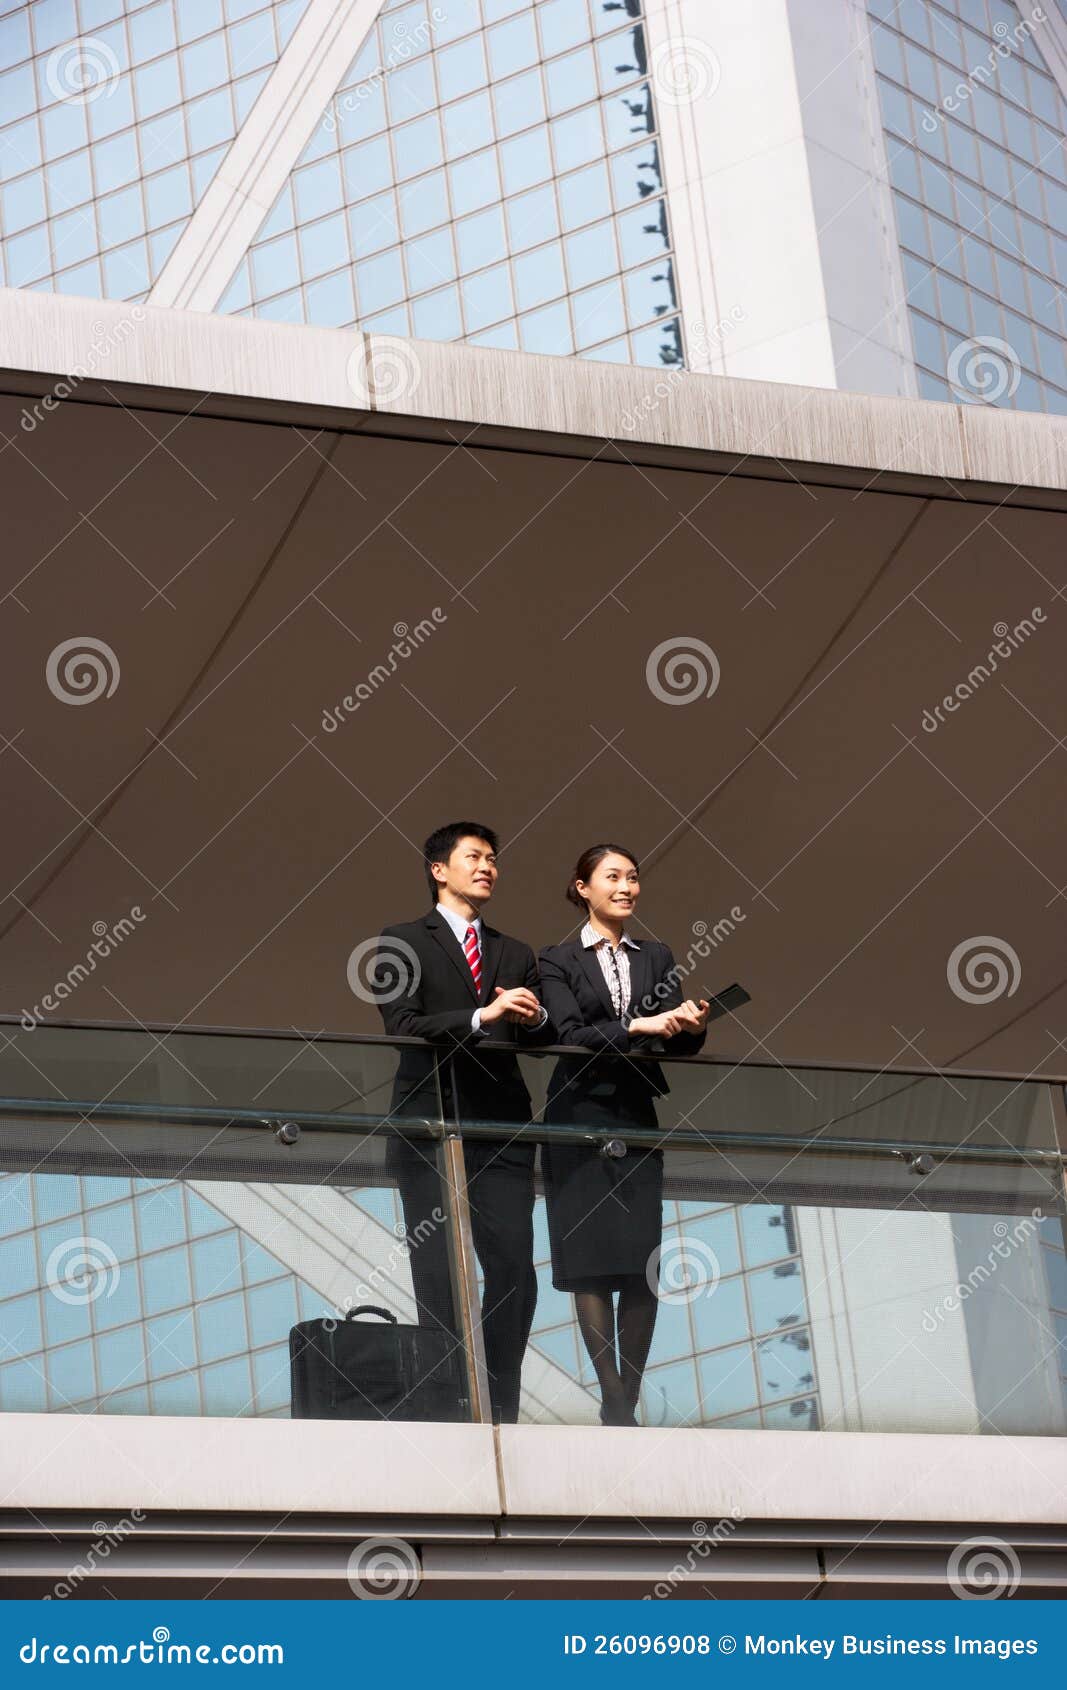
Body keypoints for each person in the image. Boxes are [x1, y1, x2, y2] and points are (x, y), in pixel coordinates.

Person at [375, 821, 547, 1424]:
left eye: (494, 859)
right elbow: (401, 1025)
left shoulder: (516, 951)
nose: (488, 867)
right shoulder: (397, 941)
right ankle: (450, 1400)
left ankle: (499, 1402)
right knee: (441, 1272)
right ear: (438, 870)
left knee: (514, 1269)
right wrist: (482, 1015)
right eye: (474, 857)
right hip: (428, 1126)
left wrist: (533, 1014)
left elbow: (544, 1035)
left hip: (502, 1130)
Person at [538, 844, 709, 1426]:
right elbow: (569, 1034)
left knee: (642, 1260)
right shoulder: (556, 959)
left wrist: (690, 1026)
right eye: (612, 877)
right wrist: (638, 1024)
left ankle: (622, 1404)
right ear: (582, 887)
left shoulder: (656, 955)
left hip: (635, 1112)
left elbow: (673, 1043)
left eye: (633, 878)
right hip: (577, 1112)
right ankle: (613, 1396)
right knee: (588, 1257)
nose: (626, 887)